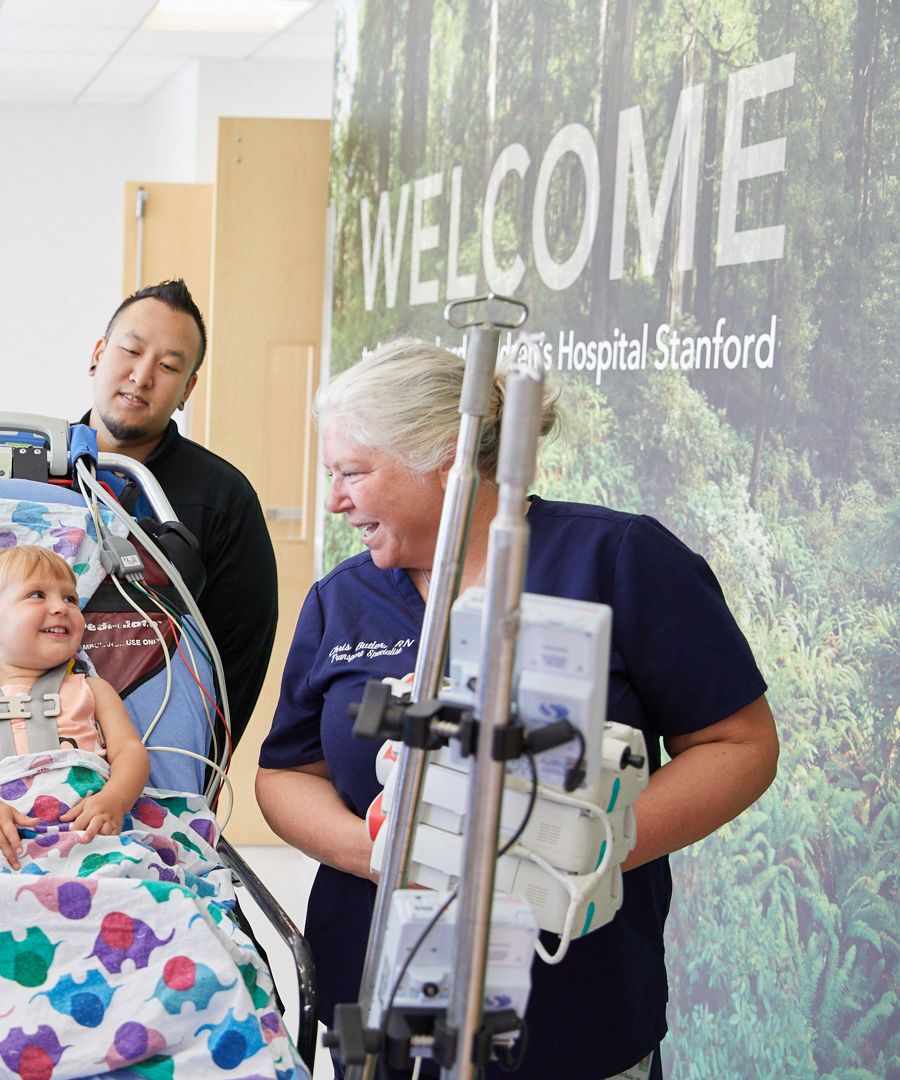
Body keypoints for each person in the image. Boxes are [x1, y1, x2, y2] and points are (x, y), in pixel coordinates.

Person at [254, 339, 779, 1080]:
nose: (334, 499)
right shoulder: (343, 599)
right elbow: (285, 774)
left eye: (352, 473)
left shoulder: (618, 560)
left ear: (448, 458)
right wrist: (380, 855)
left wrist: (579, 860)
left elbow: (740, 743)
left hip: (572, 1008)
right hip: (382, 1001)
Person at [0, 280, 278, 744]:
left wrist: (194, 760)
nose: (142, 376)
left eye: (168, 366)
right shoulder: (28, 464)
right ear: (98, 354)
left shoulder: (222, 499)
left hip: (140, 740)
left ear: (189, 388)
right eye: (130, 351)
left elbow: (233, 663)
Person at [0, 545, 150, 869]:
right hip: (0, 830)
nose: (61, 607)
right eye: (37, 595)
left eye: (70, 599)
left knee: (135, 867)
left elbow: (130, 751)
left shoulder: (93, 688)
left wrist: (115, 798)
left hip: (89, 829)